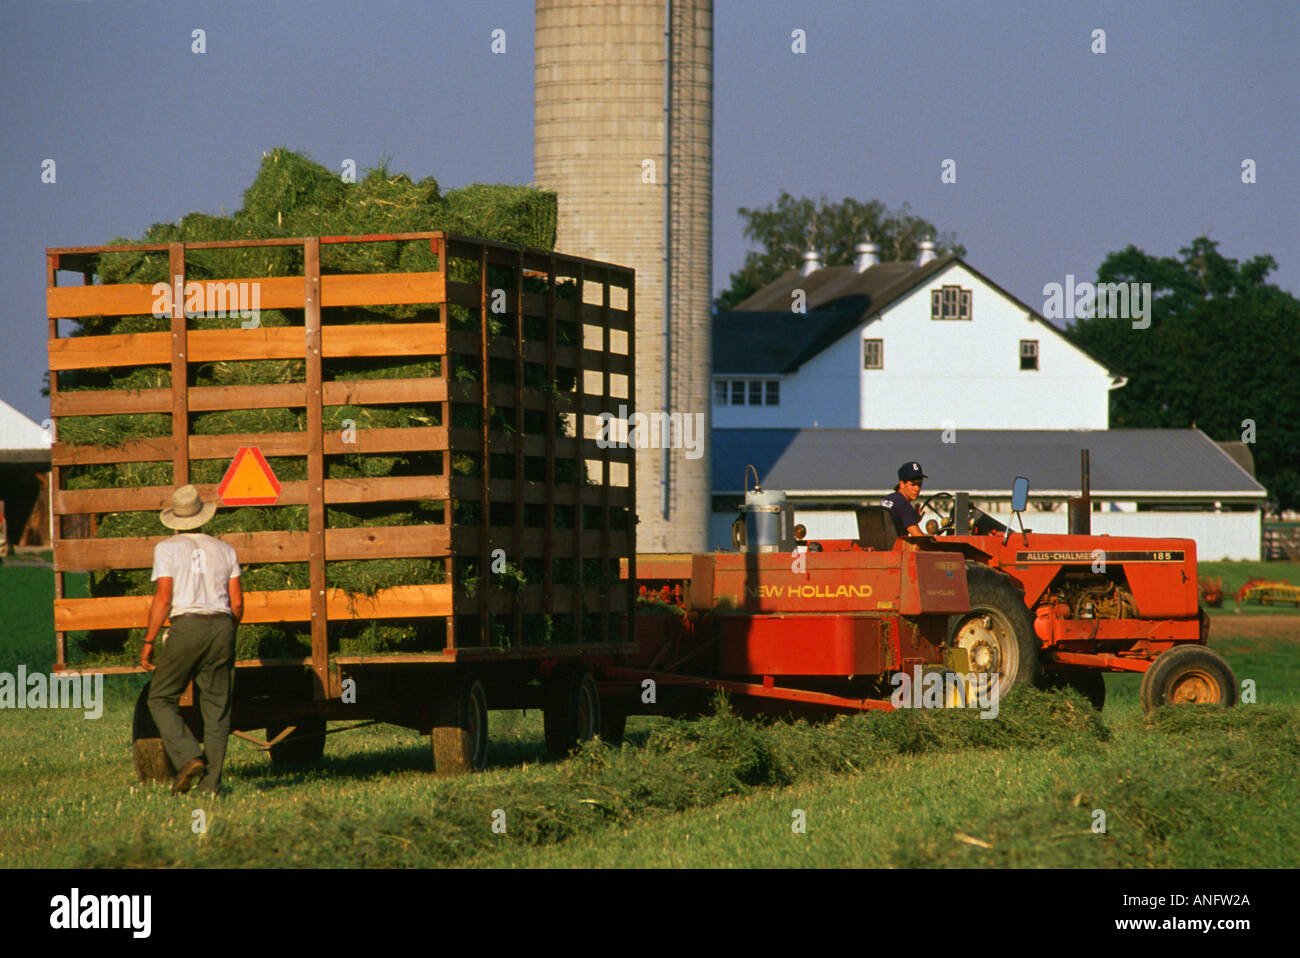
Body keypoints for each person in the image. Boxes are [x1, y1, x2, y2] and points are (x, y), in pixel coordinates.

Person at [140, 485, 242, 795]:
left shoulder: (168, 549)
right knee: (216, 708)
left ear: (175, 519)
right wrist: (225, 631)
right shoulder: (225, 550)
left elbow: (163, 597)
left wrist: (149, 640)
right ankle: (211, 786)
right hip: (223, 625)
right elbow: (237, 603)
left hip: (186, 626)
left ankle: (188, 756)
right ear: (203, 517)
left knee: (160, 698)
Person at [881, 461, 928, 537]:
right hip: (895, 547)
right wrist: (937, 540)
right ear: (902, 484)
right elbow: (918, 536)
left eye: (919, 484)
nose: (917, 489)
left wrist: (913, 520)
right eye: (913, 484)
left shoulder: (887, 499)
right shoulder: (904, 504)